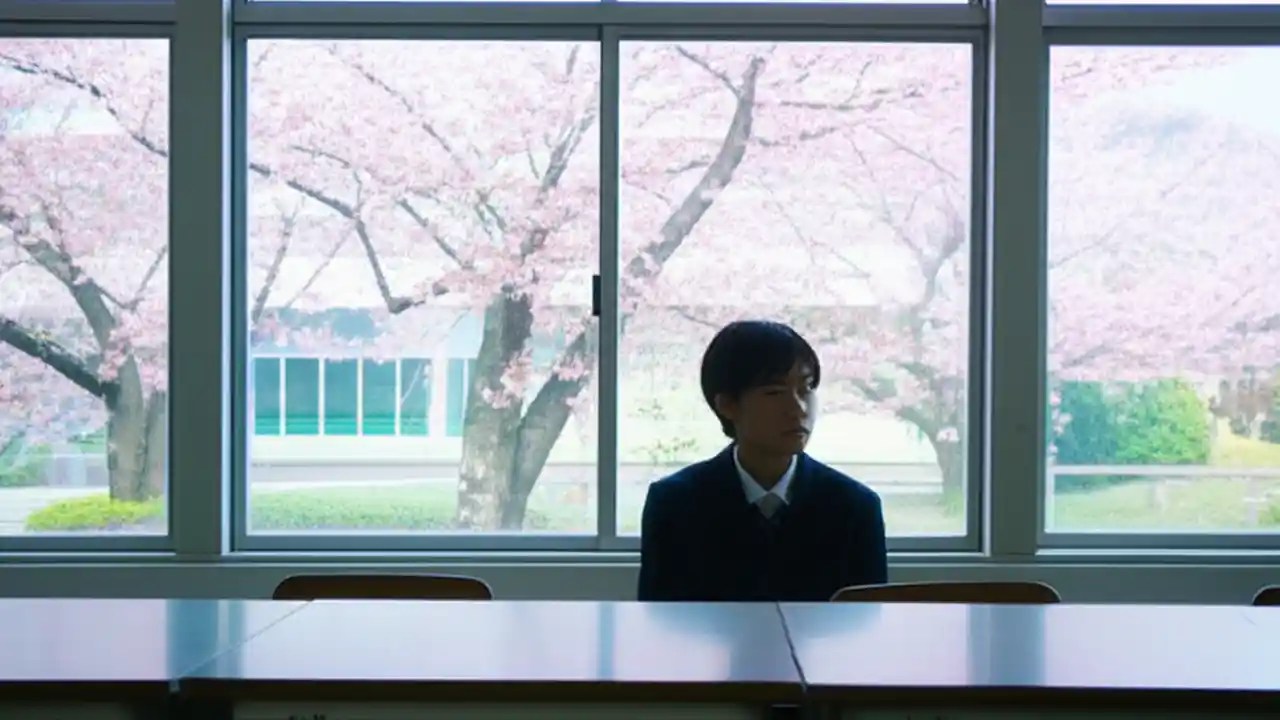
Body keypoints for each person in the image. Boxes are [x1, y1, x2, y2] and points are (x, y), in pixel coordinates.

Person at [637, 319, 888, 602]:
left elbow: (865, 631)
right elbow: (662, 626)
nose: (798, 408)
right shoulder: (674, 504)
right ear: (727, 405)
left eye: (806, 388)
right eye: (774, 392)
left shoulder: (854, 507)